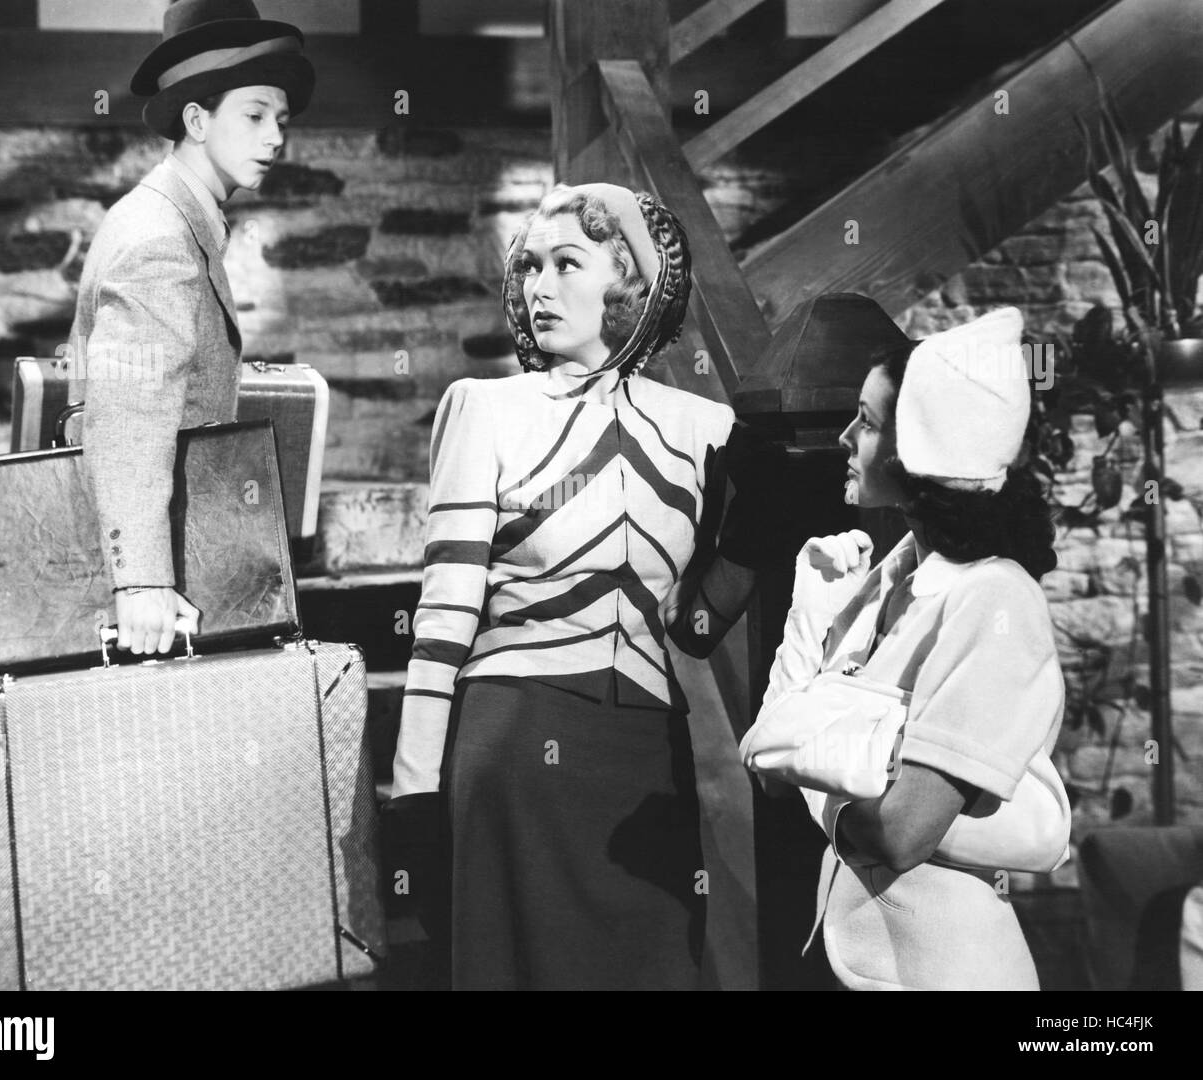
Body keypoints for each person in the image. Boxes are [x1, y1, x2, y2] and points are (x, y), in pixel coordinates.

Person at [385, 182, 766, 990]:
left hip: (647, 760)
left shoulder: (706, 429)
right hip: (515, 745)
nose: (540, 287)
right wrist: (414, 786)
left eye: (568, 264)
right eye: (529, 267)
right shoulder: (486, 409)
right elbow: (445, 612)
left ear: (629, 282)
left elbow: (695, 627)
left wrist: (755, 538)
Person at [756, 306, 1064, 990]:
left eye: (865, 421)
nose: (843, 435)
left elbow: (902, 834)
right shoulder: (886, 582)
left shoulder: (995, 599)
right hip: (857, 966)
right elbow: (767, 756)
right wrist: (809, 615)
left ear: (917, 448)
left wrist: (819, 766)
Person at [68, 0, 314, 654]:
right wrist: (143, 581)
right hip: (155, 575)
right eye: (255, 116)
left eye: (281, 120)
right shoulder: (160, 239)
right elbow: (129, 412)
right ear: (198, 120)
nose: (276, 138)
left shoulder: (173, 219)